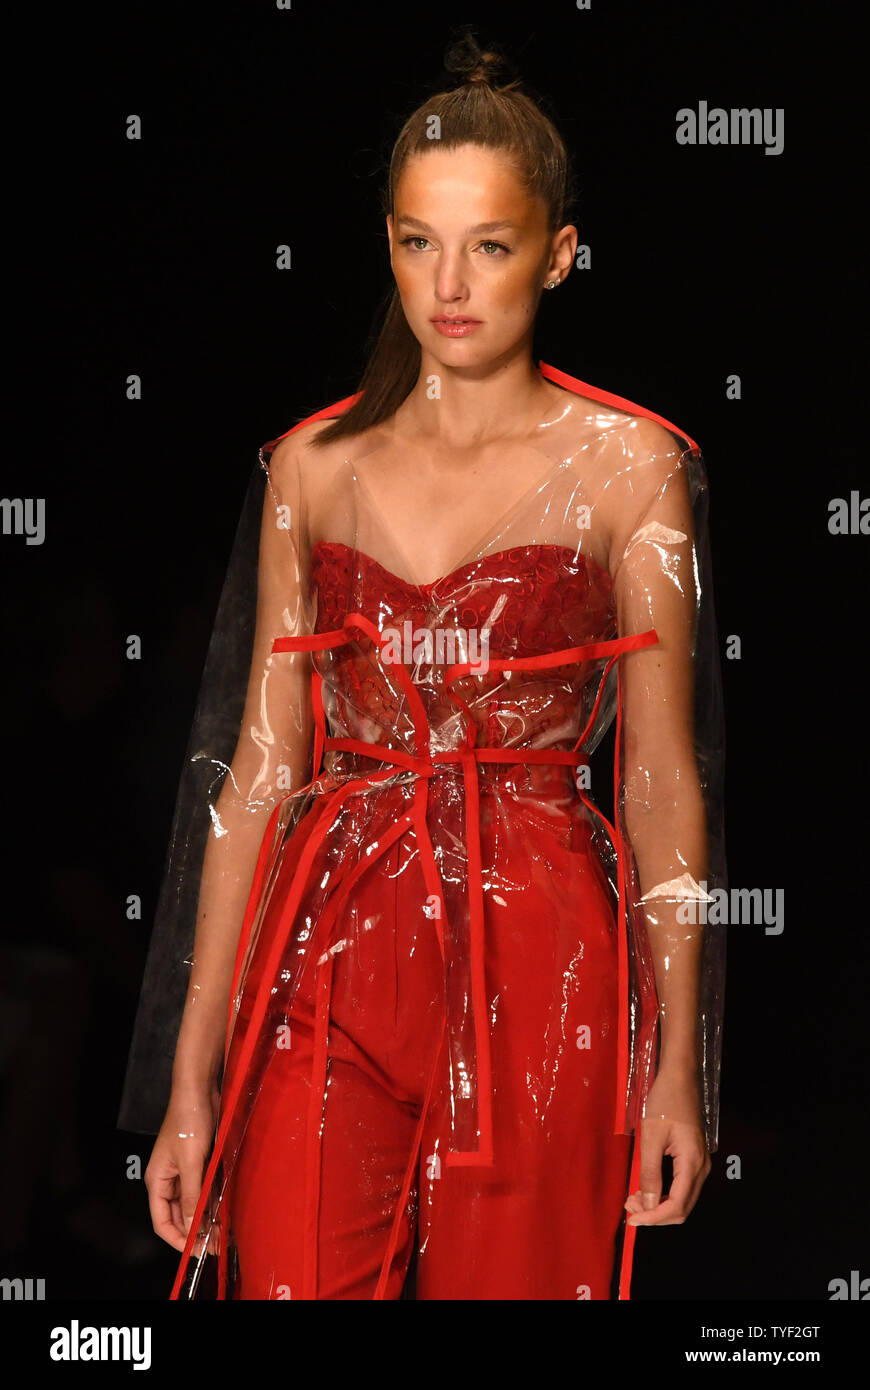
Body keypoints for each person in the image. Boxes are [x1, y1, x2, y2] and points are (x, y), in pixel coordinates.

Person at [119, 31, 727, 1301]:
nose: (448, 283)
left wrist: (681, 1064)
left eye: (490, 245)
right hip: (331, 948)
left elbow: (662, 778)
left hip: (547, 957)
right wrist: (193, 1071)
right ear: (388, 243)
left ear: (559, 253)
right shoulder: (314, 469)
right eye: (415, 240)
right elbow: (261, 771)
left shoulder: (632, 466)